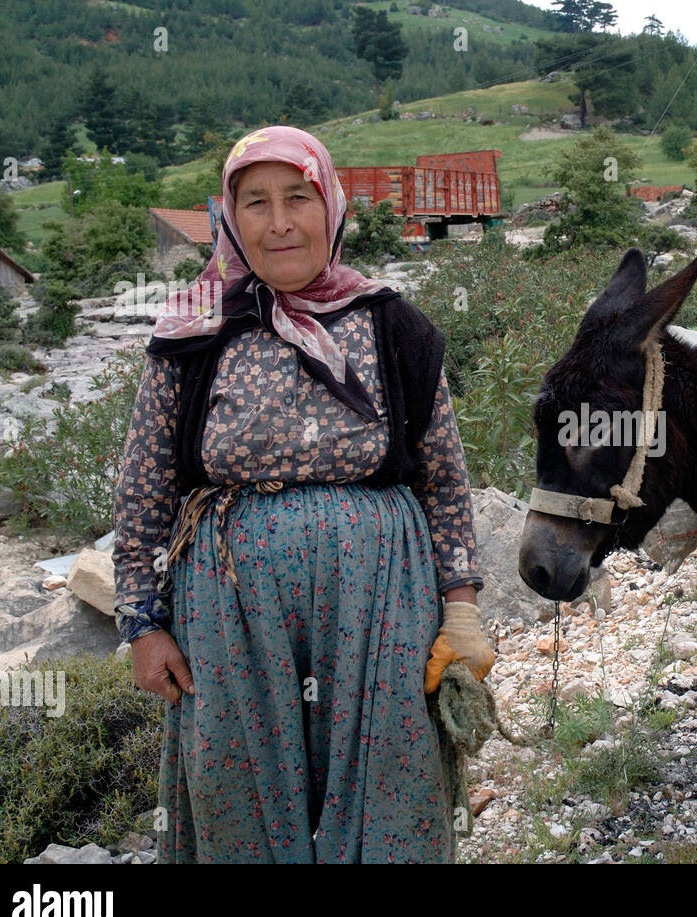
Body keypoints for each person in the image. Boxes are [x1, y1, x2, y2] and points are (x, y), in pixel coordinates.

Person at [112, 125, 495, 863]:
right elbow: (144, 485)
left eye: (298, 197)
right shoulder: (194, 334)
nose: (279, 222)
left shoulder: (395, 326)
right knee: (240, 800)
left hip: (381, 602)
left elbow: (443, 477)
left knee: (392, 791)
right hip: (229, 616)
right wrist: (140, 621)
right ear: (229, 217)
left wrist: (464, 609)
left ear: (333, 208)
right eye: (255, 202)